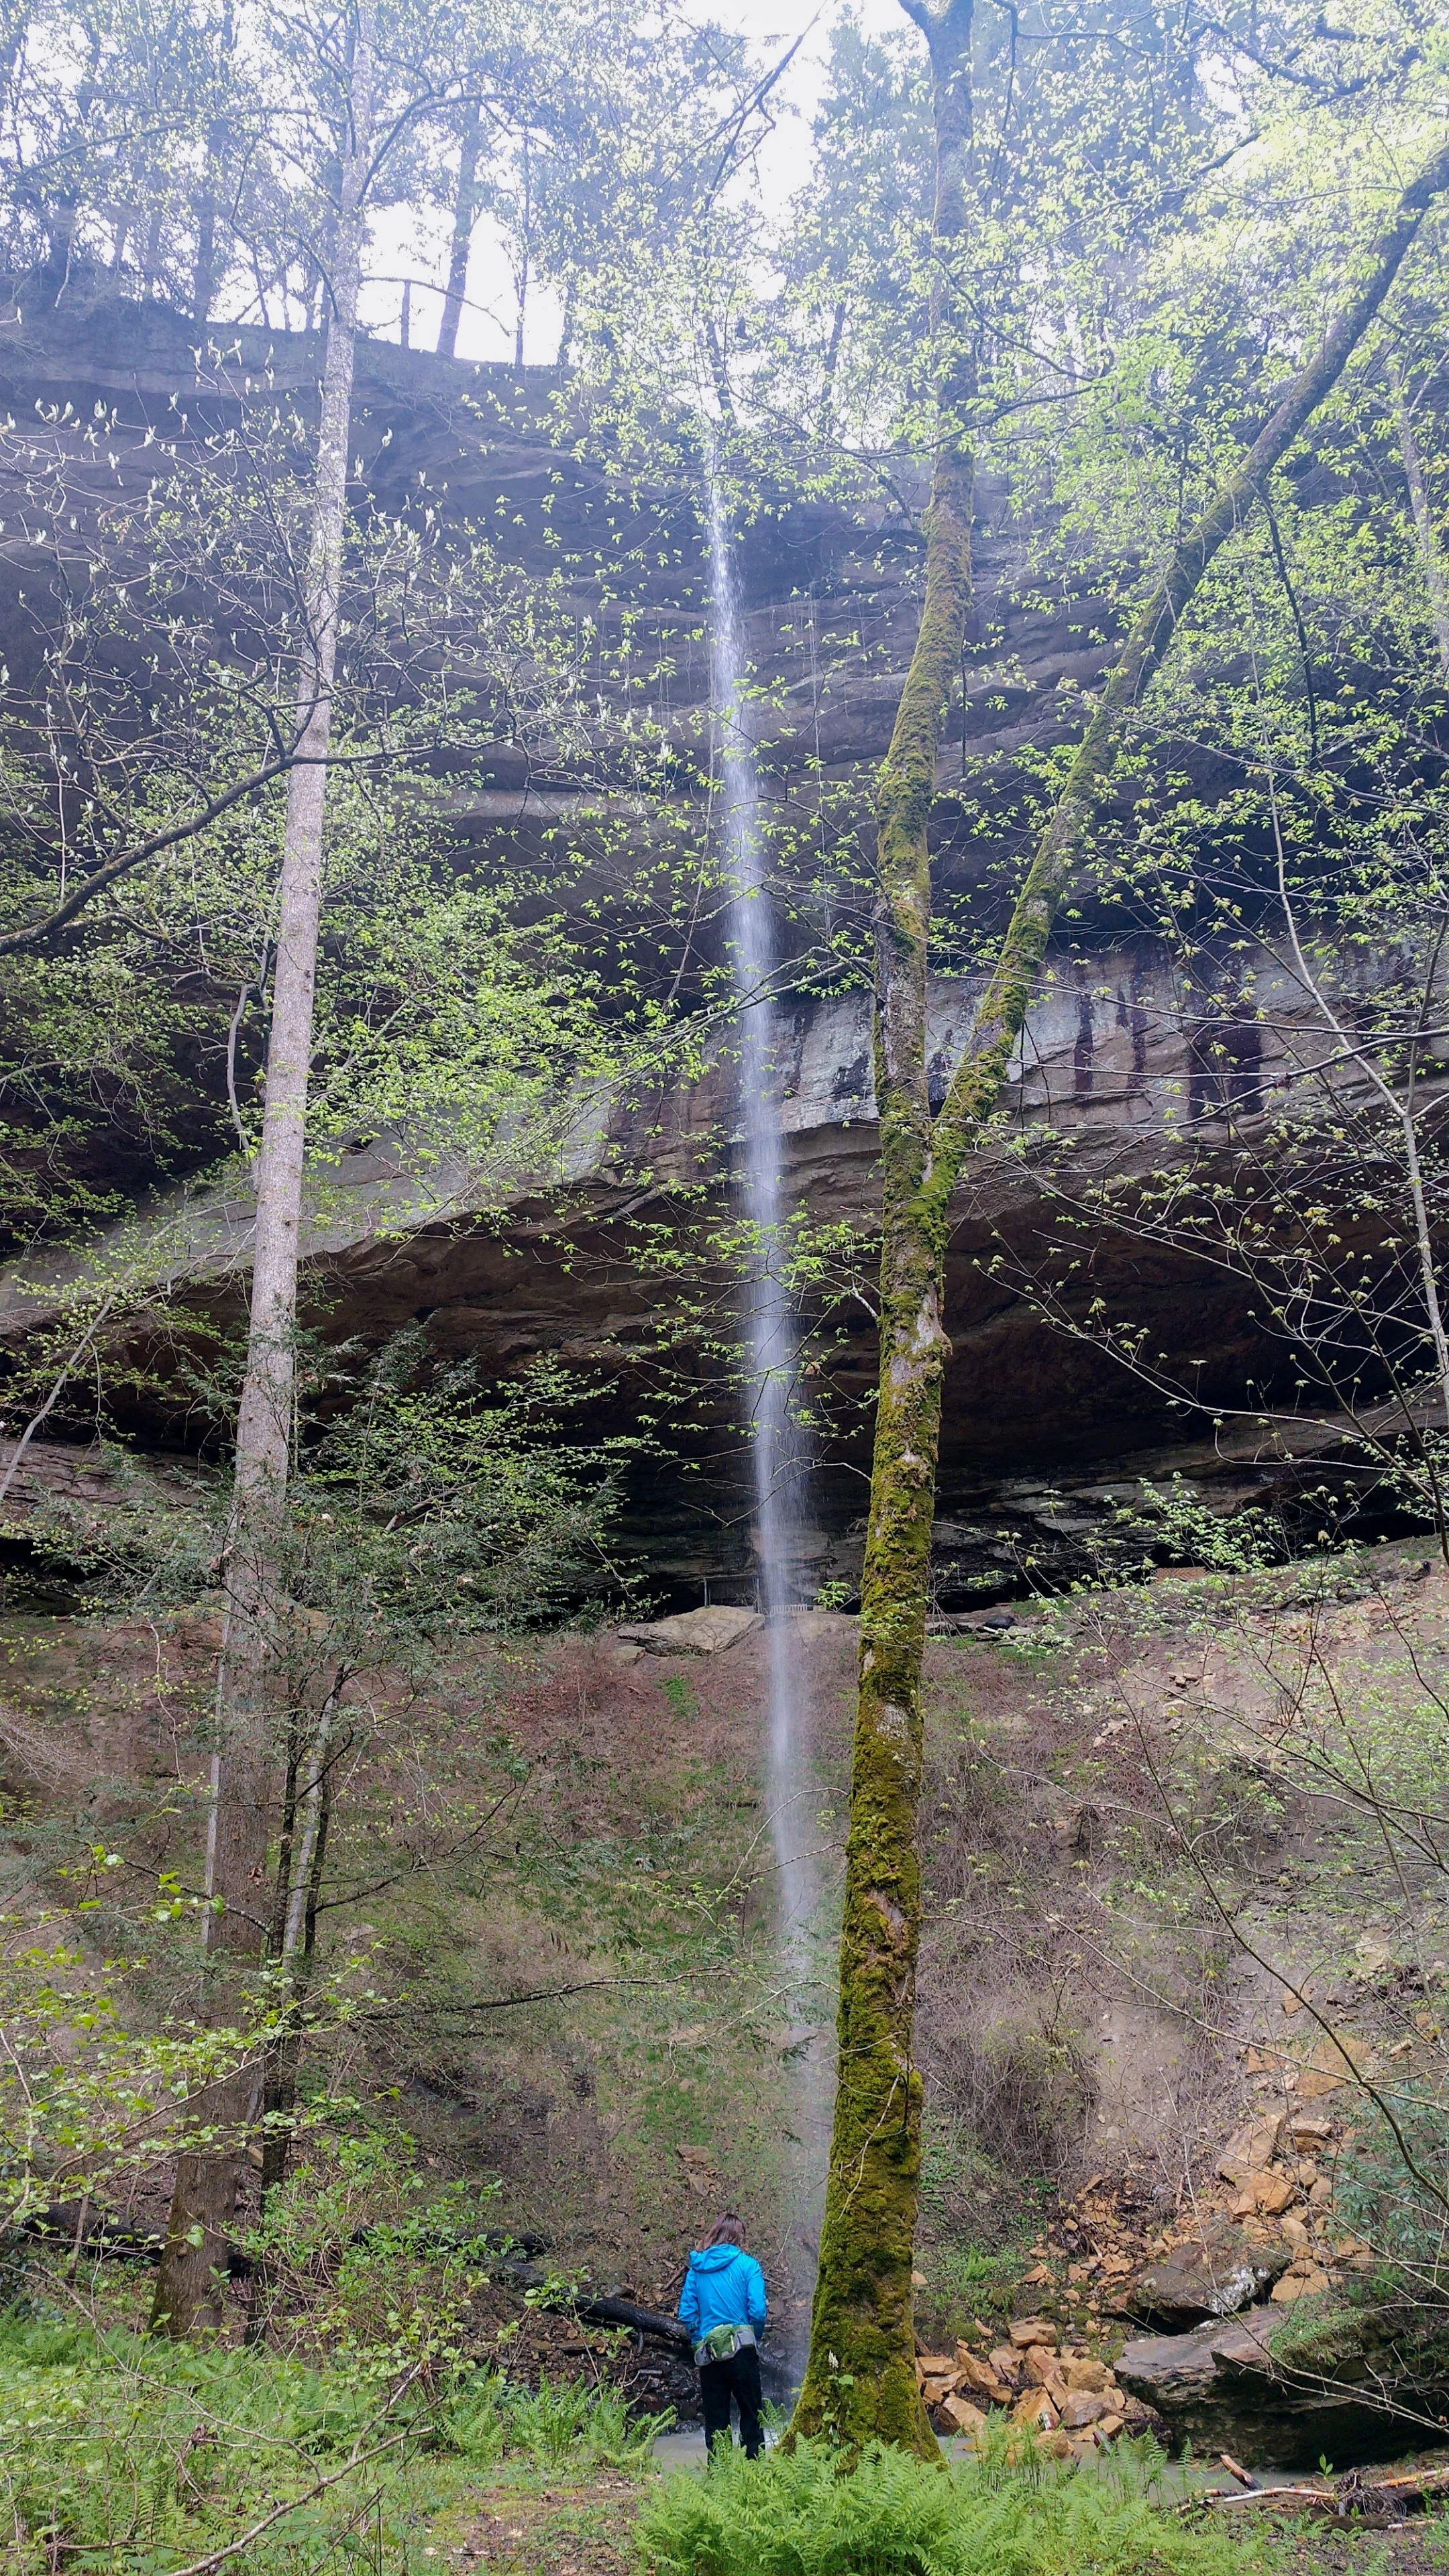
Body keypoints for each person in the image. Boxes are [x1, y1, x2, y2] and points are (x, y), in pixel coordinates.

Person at [677, 2212, 767, 2459]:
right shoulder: (749, 2266)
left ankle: (719, 2475)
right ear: (740, 2237)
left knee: (716, 2418)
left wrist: (699, 2339)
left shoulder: (697, 2270)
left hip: (710, 2354)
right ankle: (754, 2470)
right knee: (752, 2413)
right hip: (743, 2352)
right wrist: (752, 2337)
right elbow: (757, 2310)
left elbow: (686, 2313)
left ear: (714, 2235)